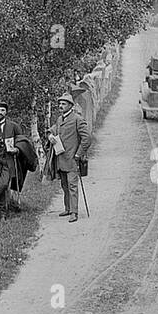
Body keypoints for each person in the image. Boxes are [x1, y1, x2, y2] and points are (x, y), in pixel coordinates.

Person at [49, 92, 90, 222]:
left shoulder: (77, 119)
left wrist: (78, 154)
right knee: (64, 185)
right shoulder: (60, 119)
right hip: (60, 158)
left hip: (72, 159)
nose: (61, 106)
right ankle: (67, 208)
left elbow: (87, 139)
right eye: (60, 103)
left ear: (70, 106)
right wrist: (50, 135)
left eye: (64, 104)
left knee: (72, 186)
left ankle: (74, 212)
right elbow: (54, 129)